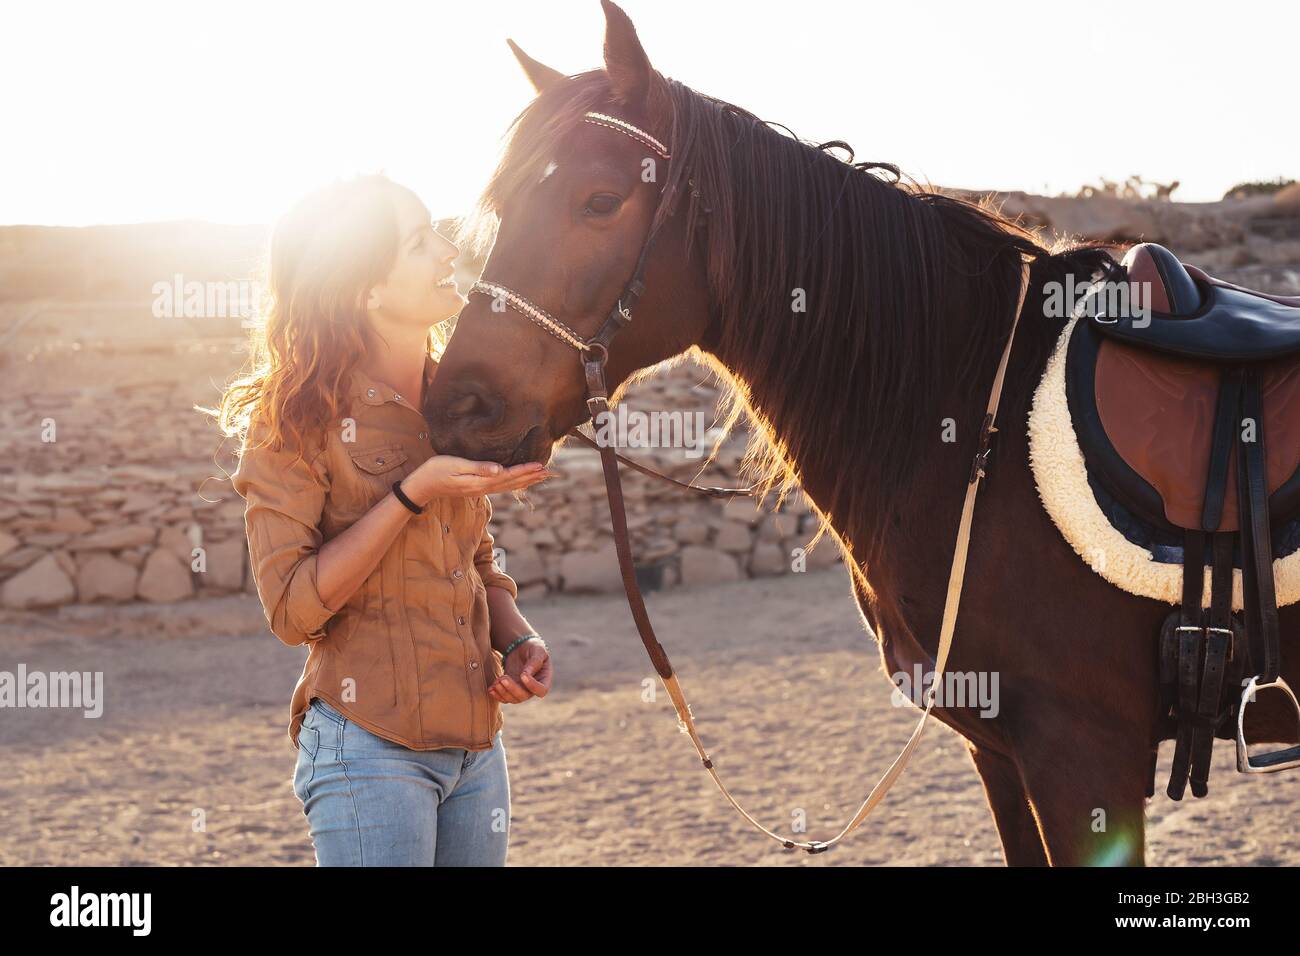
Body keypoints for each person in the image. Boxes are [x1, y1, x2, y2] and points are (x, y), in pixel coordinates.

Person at [215, 173, 553, 865]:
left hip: (478, 754)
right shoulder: (293, 423)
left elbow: (476, 560)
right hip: (368, 750)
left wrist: (516, 640)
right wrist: (411, 494)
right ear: (367, 289)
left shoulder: (456, 401)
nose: (446, 251)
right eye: (418, 242)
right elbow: (290, 611)